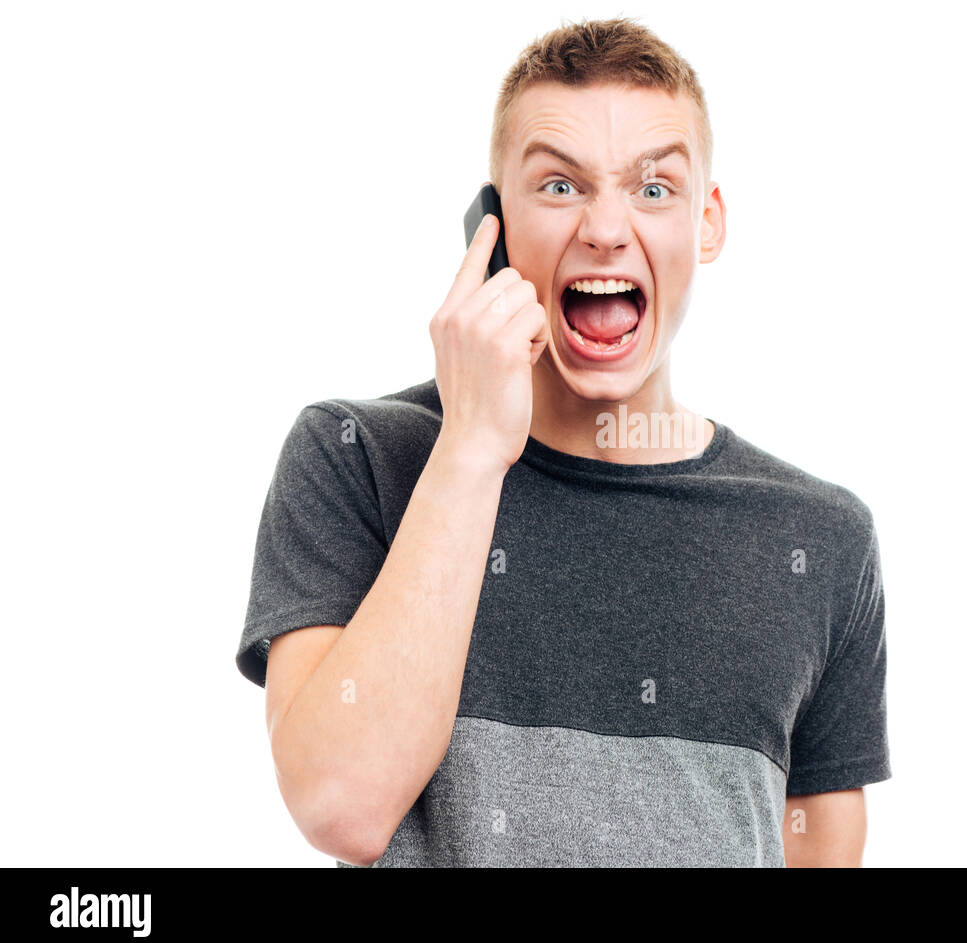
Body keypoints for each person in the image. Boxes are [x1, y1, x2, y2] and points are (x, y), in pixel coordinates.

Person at [236, 16, 889, 867]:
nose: (607, 229)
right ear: (494, 227)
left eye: (655, 189)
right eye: (559, 186)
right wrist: (472, 444)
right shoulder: (356, 457)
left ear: (708, 223)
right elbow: (340, 804)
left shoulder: (821, 538)